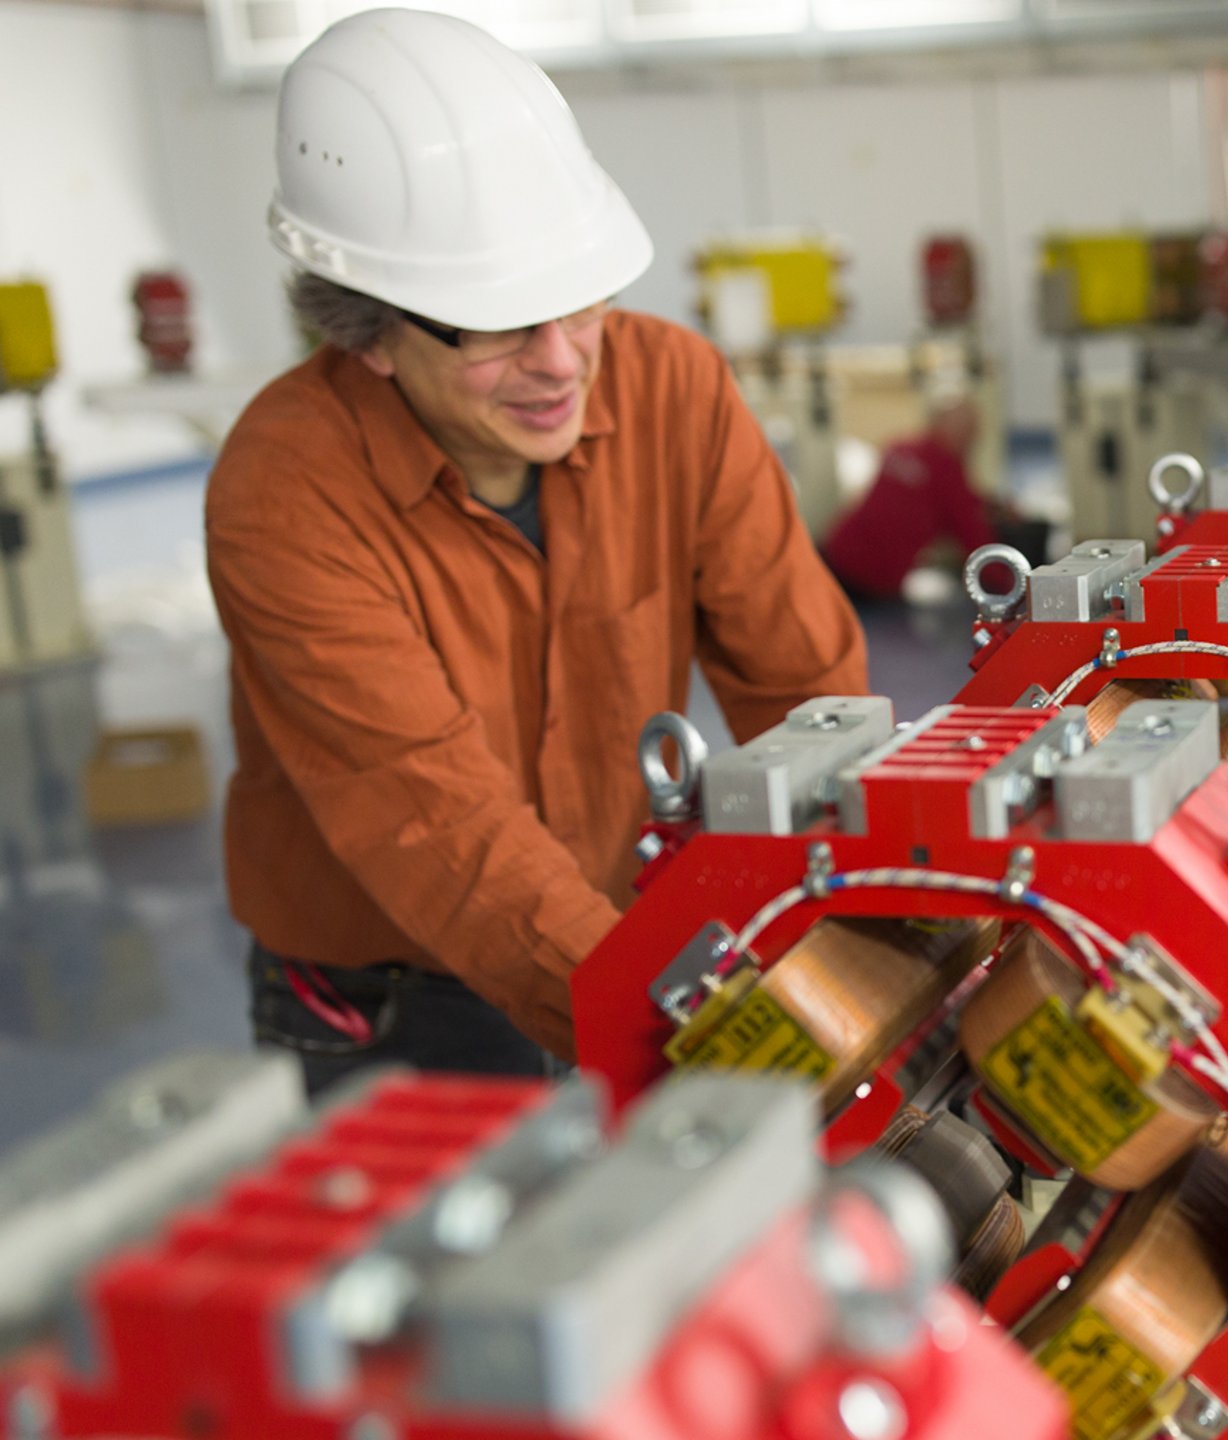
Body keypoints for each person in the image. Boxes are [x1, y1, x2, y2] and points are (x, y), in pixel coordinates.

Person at [205, 9, 867, 1094]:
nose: (561, 361)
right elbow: (437, 825)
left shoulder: (674, 391)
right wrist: (673, 1023)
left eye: (579, 300)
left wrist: (882, 916)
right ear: (369, 332)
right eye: (499, 323)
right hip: (393, 1002)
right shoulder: (286, 493)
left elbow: (804, 686)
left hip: (620, 933)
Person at [820, 391, 1044, 602]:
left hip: (834, 551)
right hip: (870, 581)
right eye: (972, 430)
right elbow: (977, 543)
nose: (975, 438)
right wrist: (1017, 591)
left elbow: (921, 498)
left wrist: (985, 505)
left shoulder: (900, 447)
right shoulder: (947, 472)